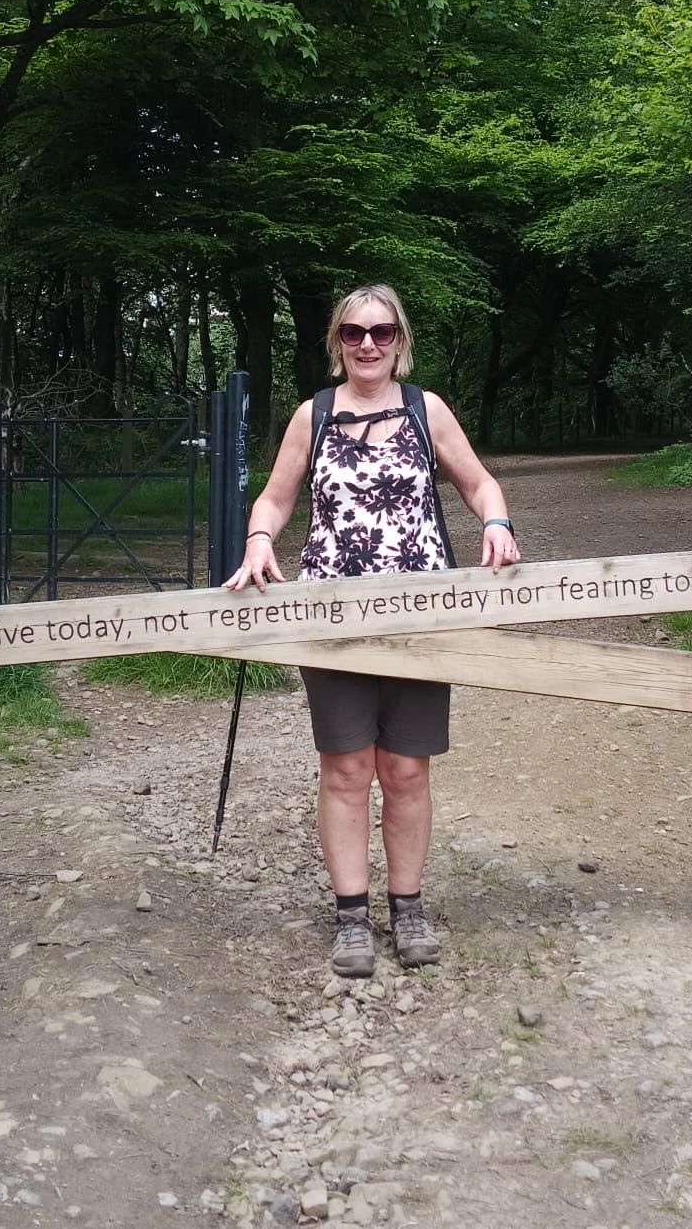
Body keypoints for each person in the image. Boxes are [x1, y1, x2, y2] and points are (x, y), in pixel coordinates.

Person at [224, 285, 521, 978]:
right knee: (347, 768)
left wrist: (497, 523)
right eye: (353, 332)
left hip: (422, 617)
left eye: (381, 332)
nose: (367, 344)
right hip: (330, 620)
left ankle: (408, 906)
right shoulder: (314, 415)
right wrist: (260, 539)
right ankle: (352, 917)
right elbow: (275, 497)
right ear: (337, 342)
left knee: (406, 769)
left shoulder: (426, 409)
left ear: (399, 341)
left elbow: (480, 483)